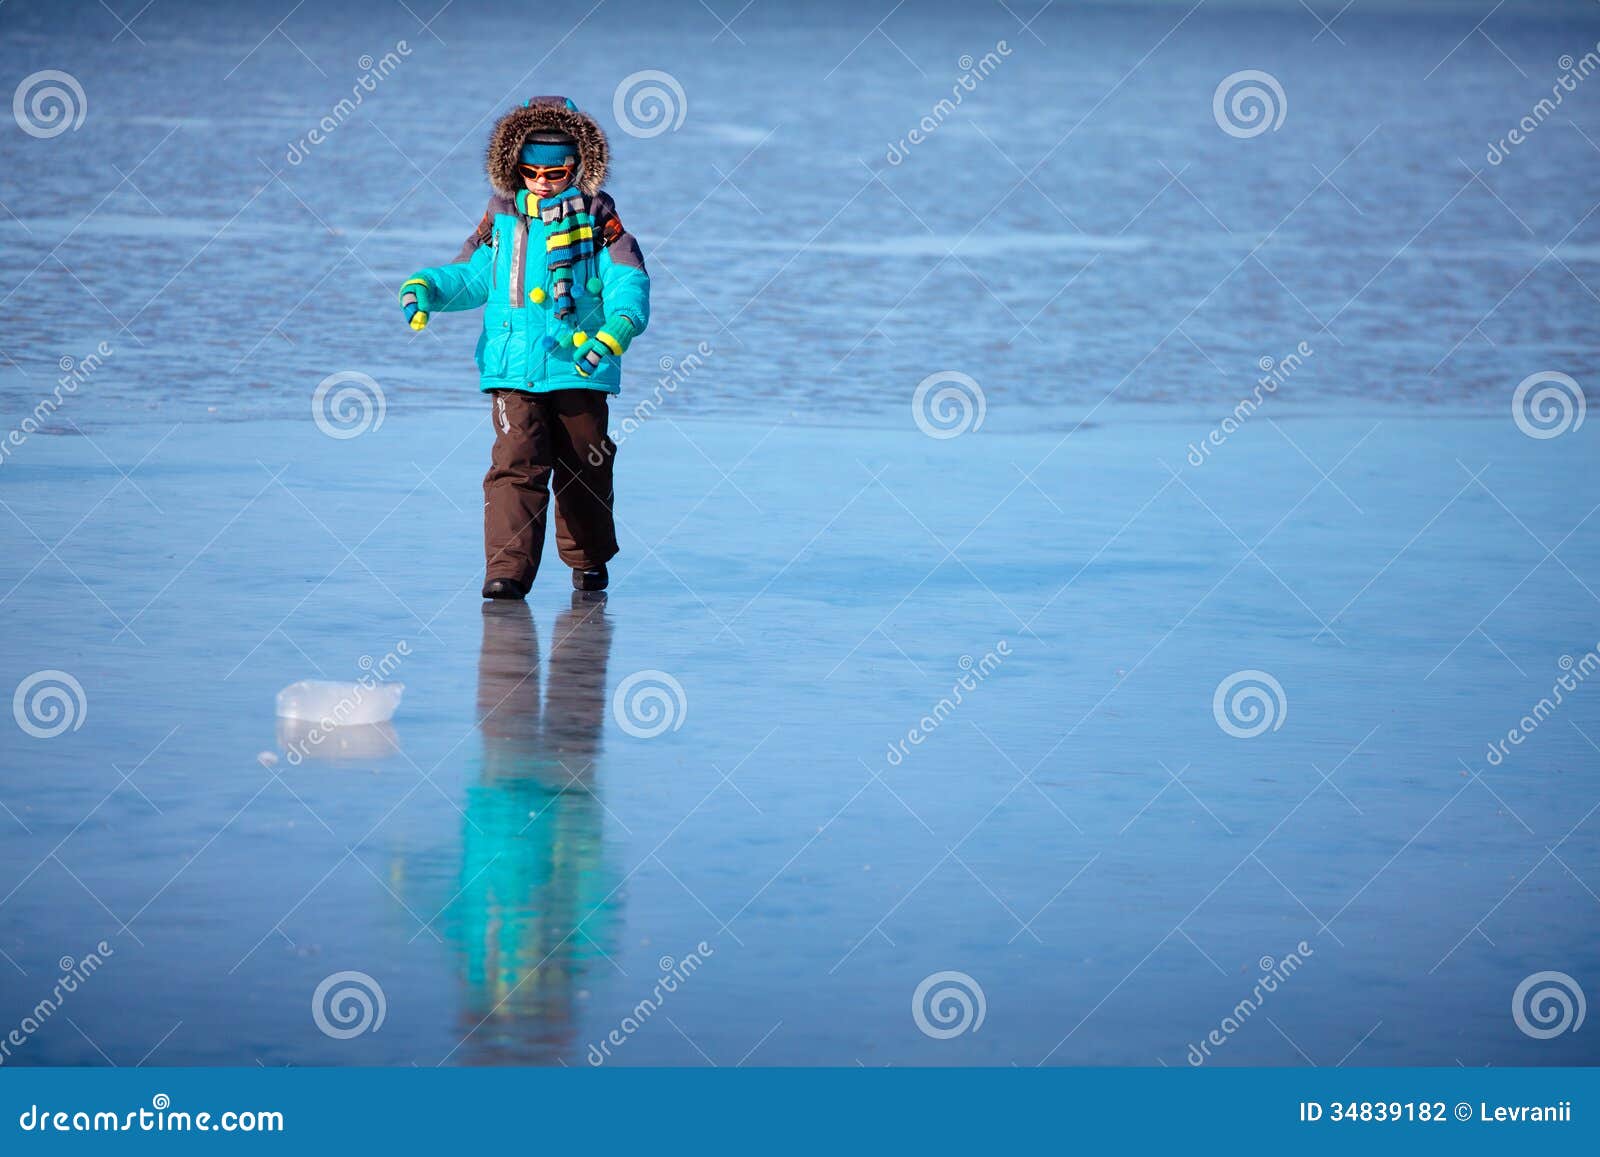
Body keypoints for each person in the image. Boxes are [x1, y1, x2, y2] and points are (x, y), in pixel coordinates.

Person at [399, 96, 650, 599]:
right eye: (530, 170)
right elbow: (471, 276)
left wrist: (619, 326)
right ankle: (507, 573)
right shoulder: (502, 218)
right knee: (516, 462)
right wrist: (427, 285)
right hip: (511, 364)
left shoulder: (601, 221)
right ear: (513, 166)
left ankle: (588, 558)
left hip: (581, 363)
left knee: (585, 463)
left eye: (554, 171)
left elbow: (629, 280)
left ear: (577, 165)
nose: (541, 180)